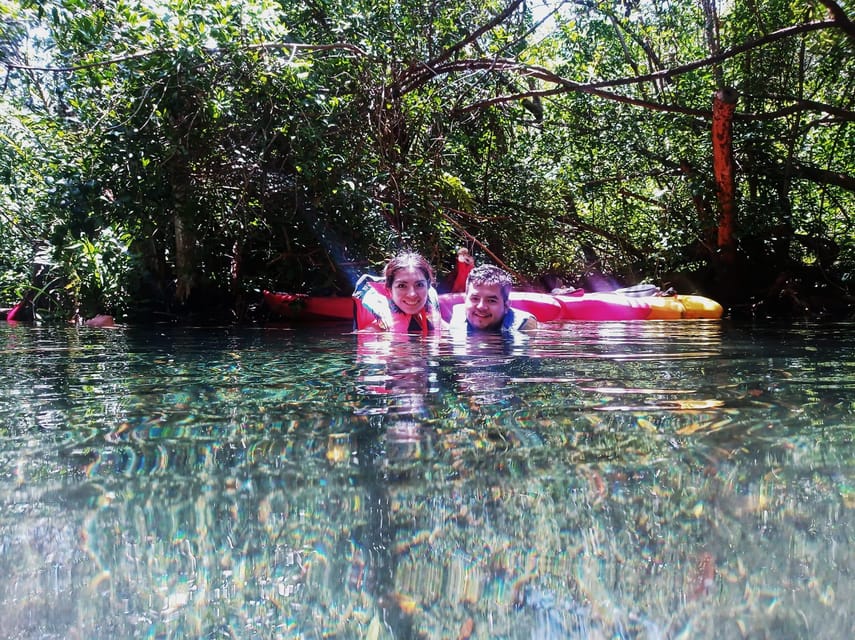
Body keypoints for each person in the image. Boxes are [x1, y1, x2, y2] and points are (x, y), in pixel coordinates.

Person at [353, 251, 442, 333]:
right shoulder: (375, 331)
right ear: (389, 290)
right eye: (402, 286)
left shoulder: (440, 325)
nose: (412, 294)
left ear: (428, 286)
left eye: (419, 285)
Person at [449, 264, 538, 334]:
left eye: (491, 301)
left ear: (506, 306)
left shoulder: (525, 326)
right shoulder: (457, 316)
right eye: (475, 298)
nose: (481, 307)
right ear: (465, 300)